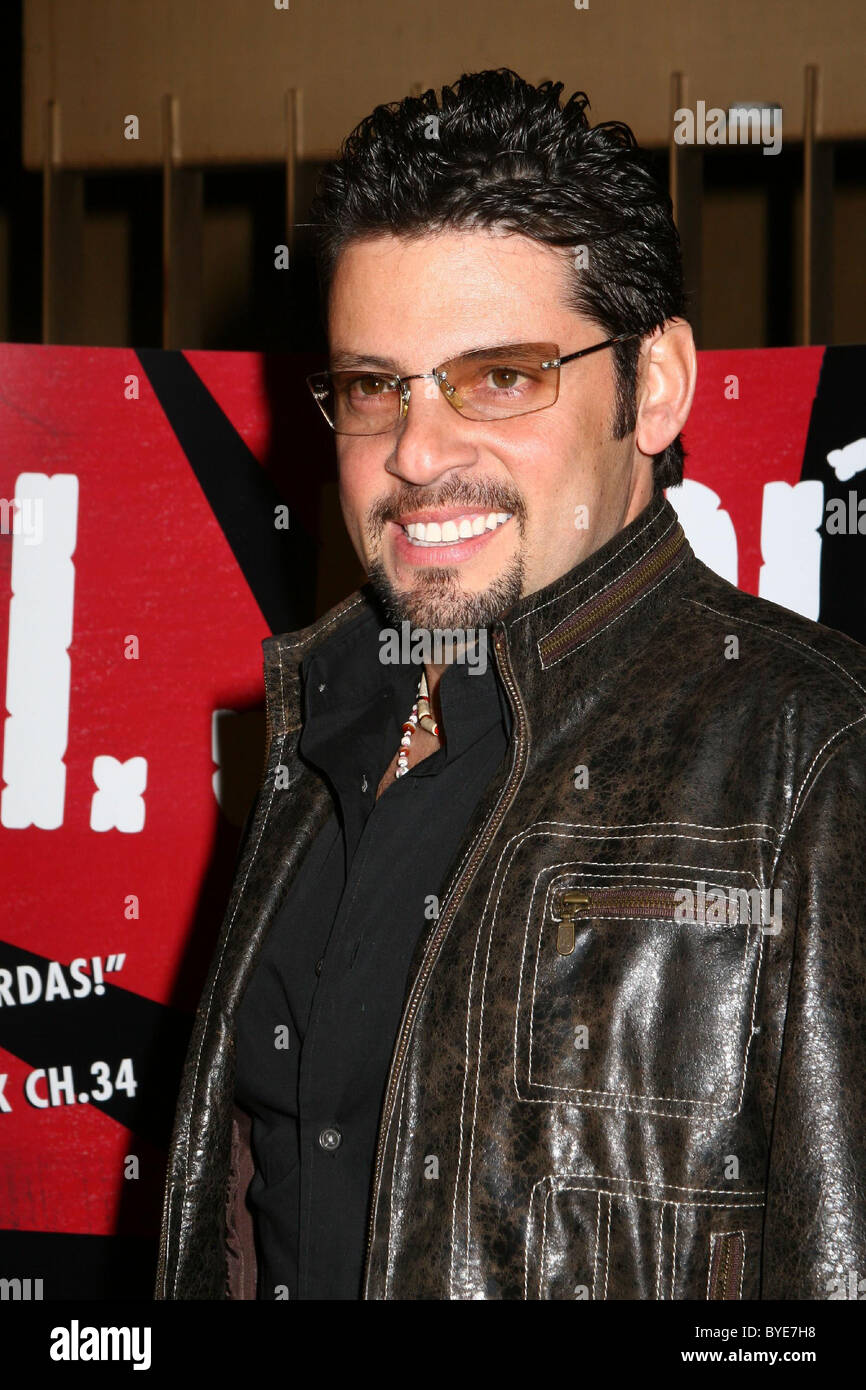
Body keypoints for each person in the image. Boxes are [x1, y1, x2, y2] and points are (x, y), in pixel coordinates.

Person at [155, 69, 866, 1300]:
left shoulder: (812, 755)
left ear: (651, 386)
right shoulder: (317, 734)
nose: (415, 452)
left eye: (499, 376)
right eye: (374, 386)